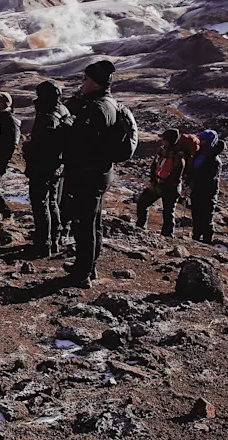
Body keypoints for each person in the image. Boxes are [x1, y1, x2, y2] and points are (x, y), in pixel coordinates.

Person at [62, 59, 123, 287]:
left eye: (86, 79)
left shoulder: (97, 109)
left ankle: (82, 274)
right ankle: (88, 266)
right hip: (99, 172)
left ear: (96, 83)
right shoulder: (106, 103)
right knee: (92, 222)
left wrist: (68, 125)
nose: (82, 82)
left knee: (84, 224)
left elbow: (80, 142)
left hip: (89, 174)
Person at [22, 81, 71, 258]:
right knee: (52, 202)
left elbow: (41, 146)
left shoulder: (47, 116)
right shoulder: (63, 110)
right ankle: (54, 240)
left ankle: (43, 244)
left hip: (42, 167)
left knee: (41, 203)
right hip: (56, 166)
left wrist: (27, 146)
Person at [137, 129, 193, 237]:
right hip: (158, 184)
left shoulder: (179, 155)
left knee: (168, 213)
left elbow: (176, 175)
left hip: (171, 188)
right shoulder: (162, 150)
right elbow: (154, 166)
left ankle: (167, 236)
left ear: (168, 140)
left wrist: (162, 186)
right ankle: (140, 228)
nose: (162, 140)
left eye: (163, 139)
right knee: (142, 203)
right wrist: (153, 182)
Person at [0, 92, 20, 224]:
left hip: (0, 157)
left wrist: (3, 158)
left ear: (6, 104)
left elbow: (12, 143)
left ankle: (7, 213)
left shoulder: (10, 120)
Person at [188, 130, 225, 244]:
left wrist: (194, 180)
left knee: (206, 217)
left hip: (208, 193)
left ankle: (207, 241)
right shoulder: (198, 154)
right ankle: (196, 238)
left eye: (203, 140)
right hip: (196, 190)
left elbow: (209, 178)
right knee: (196, 215)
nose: (200, 142)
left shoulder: (215, 160)